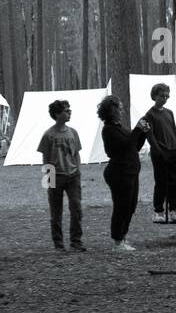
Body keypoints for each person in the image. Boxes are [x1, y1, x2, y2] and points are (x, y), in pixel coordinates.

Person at [97, 95, 149, 252]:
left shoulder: (119, 127)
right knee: (121, 206)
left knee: (130, 206)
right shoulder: (109, 130)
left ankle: (122, 237)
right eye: (119, 108)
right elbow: (126, 144)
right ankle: (118, 241)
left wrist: (143, 133)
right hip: (119, 173)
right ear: (112, 110)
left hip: (130, 172)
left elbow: (134, 146)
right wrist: (137, 129)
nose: (122, 110)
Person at [37, 100, 86, 252]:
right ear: (57, 114)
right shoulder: (48, 135)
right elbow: (45, 159)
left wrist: (78, 171)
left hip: (72, 176)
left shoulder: (73, 132)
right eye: (66, 110)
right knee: (56, 212)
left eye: (69, 110)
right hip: (56, 177)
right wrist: (48, 181)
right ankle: (58, 244)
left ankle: (76, 242)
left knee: (76, 208)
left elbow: (76, 154)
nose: (69, 112)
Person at [143, 83, 176, 223]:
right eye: (162, 96)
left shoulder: (169, 112)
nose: (164, 99)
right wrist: (159, 151)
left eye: (167, 96)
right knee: (161, 183)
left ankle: (174, 210)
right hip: (160, 154)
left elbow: (174, 131)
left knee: (173, 183)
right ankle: (158, 211)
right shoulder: (149, 115)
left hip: (173, 151)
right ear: (154, 96)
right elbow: (150, 136)